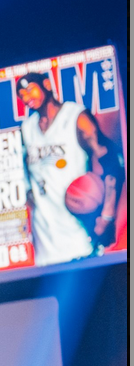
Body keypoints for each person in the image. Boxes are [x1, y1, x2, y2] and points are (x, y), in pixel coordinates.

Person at [15, 72, 124, 266]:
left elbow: (111, 162)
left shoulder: (76, 117)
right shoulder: (26, 128)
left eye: (30, 90)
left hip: (79, 236)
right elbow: (24, 174)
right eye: (22, 94)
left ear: (47, 85)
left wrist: (107, 214)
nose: (27, 97)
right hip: (45, 240)